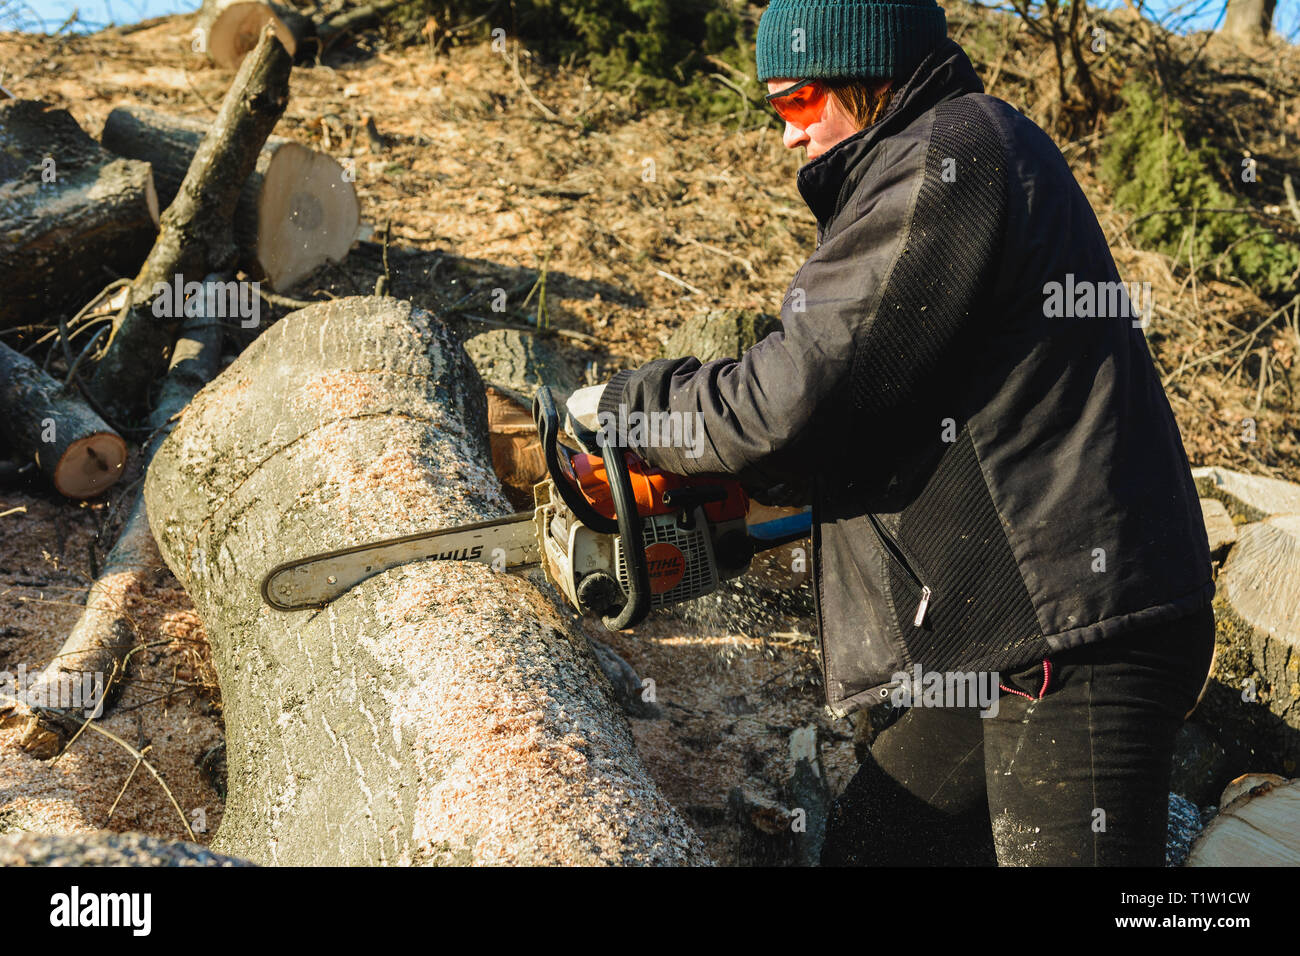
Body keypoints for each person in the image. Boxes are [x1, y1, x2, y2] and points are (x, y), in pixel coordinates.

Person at [566, 0, 1215, 866]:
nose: (788, 137)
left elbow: (792, 402)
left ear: (865, 75)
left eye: (798, 103)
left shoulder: (951, 156)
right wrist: (749, 505)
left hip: (1080, 629)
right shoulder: (926, 165)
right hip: (1003, 629)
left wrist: (628, 408)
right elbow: (871, 409)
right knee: (875, 844)